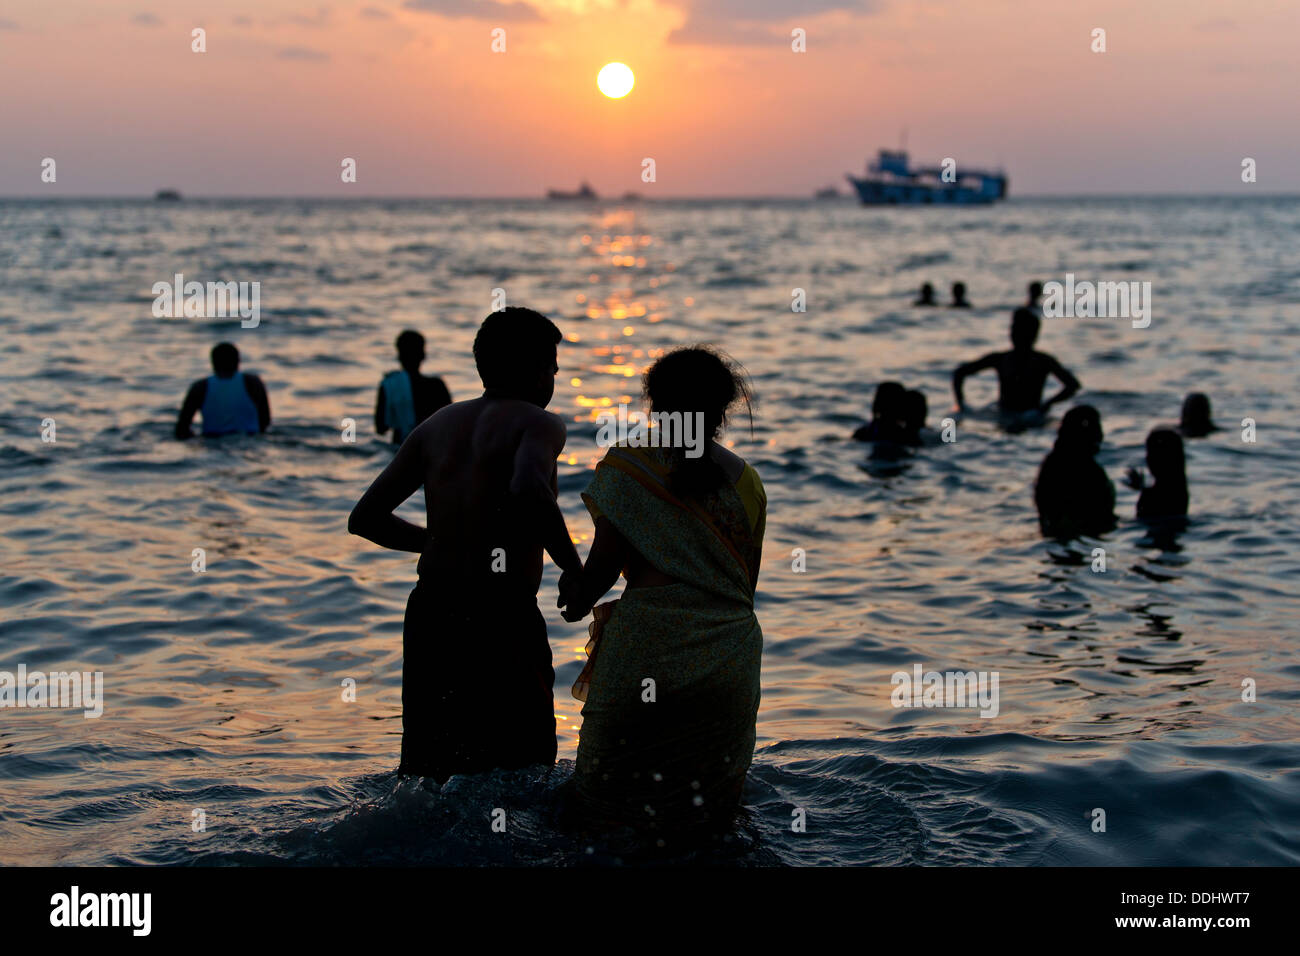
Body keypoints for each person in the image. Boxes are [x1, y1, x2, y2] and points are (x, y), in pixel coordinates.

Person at [348, 307, 581, 782]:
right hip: (501, 616)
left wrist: (439, 540)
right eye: (553, 368)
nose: (554, 378)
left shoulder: (435, 426)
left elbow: (366, 518)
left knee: (430, 771)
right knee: (524, 768)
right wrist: (574, 572)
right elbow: (529, 490)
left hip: (432, 614)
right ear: (539, 371)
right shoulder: (540, 423)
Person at [561, 346, 765, 837]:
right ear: (724, 408)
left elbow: (603, 568)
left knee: (602, 812)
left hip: (647, 650)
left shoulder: (627, 468)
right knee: (708, 820)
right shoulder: (748, 483)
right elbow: (740, 590)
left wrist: (577, 596)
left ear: (654, 404)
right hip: (729, 660)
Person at [952, 307, 1080, 427]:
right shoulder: (1000, 359)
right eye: (1014, 330)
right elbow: (959, 373)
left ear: (1033, 335)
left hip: (1031, 417)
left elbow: (1073, 385)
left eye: (1020, 332)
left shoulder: (1043, 361)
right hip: (1005, 416)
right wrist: (961, 405)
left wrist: (1047, 405)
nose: (1014, 335)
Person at [1034, 405, 1116, 538]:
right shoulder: (1088, 469)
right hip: (1086, 534)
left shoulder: (1052, 464)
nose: (1100, 435)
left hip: (1058, 535)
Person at [174, 342, 270, 439]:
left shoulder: (200, 387)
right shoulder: (253, 383)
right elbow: (265, 421)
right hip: (249, 438)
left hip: (212, 441)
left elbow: (182, 429)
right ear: (238, 361)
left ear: (213, 363)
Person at [375, 329, 452, 445]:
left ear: (399, 356)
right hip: (432, 447)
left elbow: (381, 428)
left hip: (400, 451)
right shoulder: (437, 385)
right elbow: (451, 423)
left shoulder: (389, 384)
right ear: (423, 355)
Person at [1126, 428, 1189, 520]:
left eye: (1150, 454)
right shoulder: (1178, 489)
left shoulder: (1160, 495)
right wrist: (1142, 488)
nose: (1147, 459)